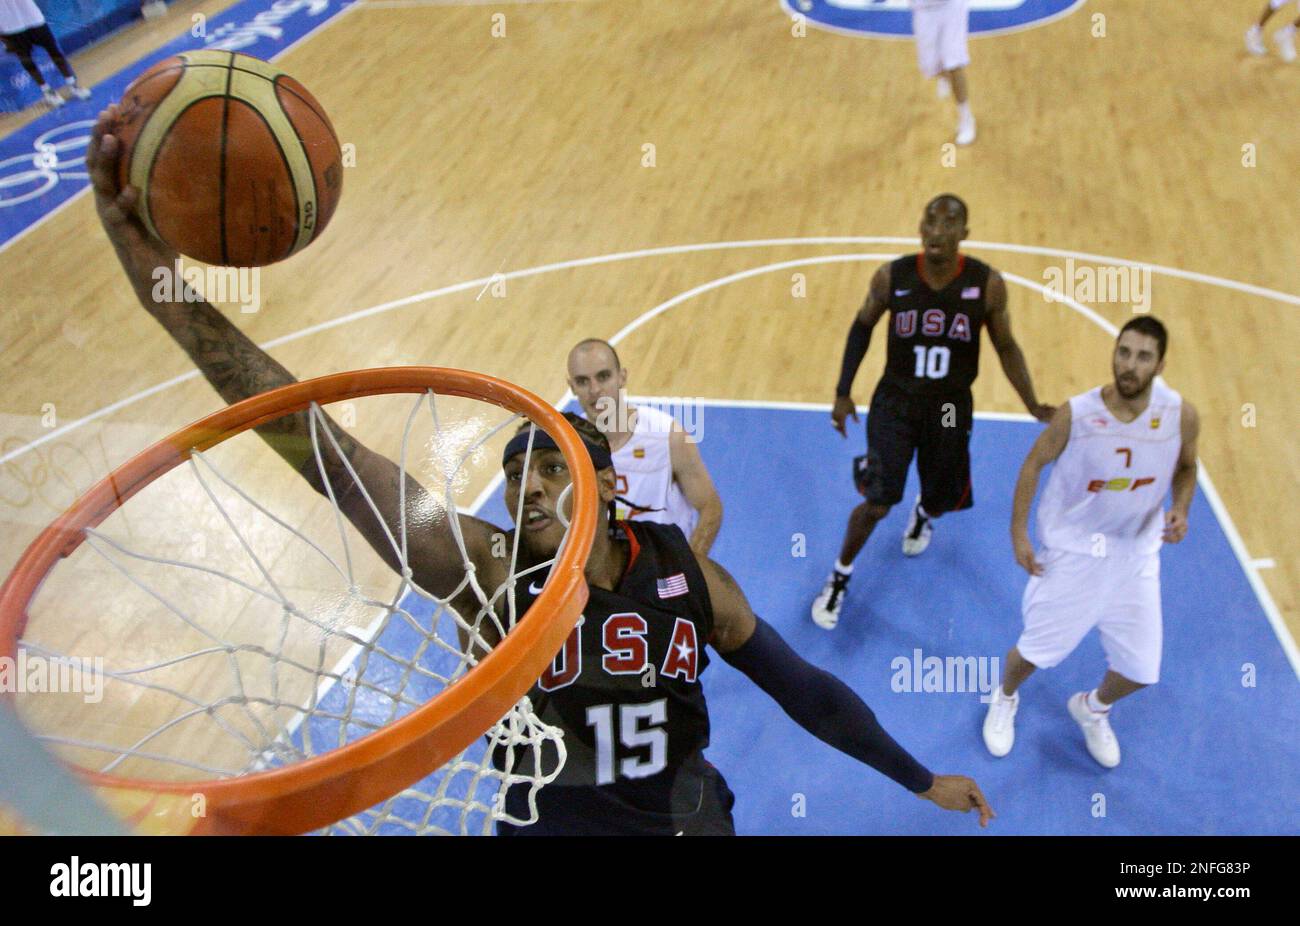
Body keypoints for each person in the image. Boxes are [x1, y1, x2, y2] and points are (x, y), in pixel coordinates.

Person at [86, 106, 995, 836]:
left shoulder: (687, 574)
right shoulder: (488, 571)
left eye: (551, 470)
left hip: (685, 821)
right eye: (516, 474)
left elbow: (808, 694)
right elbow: (326, 454)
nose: (526, 487)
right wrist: (161, 285)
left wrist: (918, 779)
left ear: (606, 487)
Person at [812, 194, 1053, 630]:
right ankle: (839, 577)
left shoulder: (986, 284)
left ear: (964, 233)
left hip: (947, 409)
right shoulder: (892, 277)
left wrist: (1032, 403)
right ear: (921, 228)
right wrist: (843, 392)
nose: (937, 231)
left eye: (949, 223)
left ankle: (925, 513)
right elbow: (862, 326)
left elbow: (1005, 346)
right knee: (878, 501)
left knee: (941, 499)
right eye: (931, 222)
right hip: (896, 404)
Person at [982, 316, 1198, 769]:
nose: (1130, 365)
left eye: (1143, 357)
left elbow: (1186, 467)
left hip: (1137, 555)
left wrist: (1181, 508)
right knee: (1035, 652)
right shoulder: (1078, 414)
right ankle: (1004, 696)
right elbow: (1033, 463)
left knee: (1141, 670)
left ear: (1160, 365)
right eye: (1124, 352)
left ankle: (1093, 708)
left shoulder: (1180, 415)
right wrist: (1018, 533)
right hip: (1075, 552)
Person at [566, 338, 723, 556]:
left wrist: (691, 566)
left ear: (622, 377)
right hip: (608, 569)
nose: (595, 389)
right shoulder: (569, 445)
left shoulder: (668, 436)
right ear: (571, 387)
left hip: (664, 566)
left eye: (603, 377)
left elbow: (710, 507)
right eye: (582, 381)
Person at [0, 0, 91, 108]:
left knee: (54, 51)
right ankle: (48, 92)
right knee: (26, 59)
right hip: (9, 25)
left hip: (33, 17)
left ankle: (73, 86)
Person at [911, 0, 976, 145]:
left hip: (951, 7)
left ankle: (966, 119)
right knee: (929, 65)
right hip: (923, 9)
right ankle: (944, 75)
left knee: (954, 62)